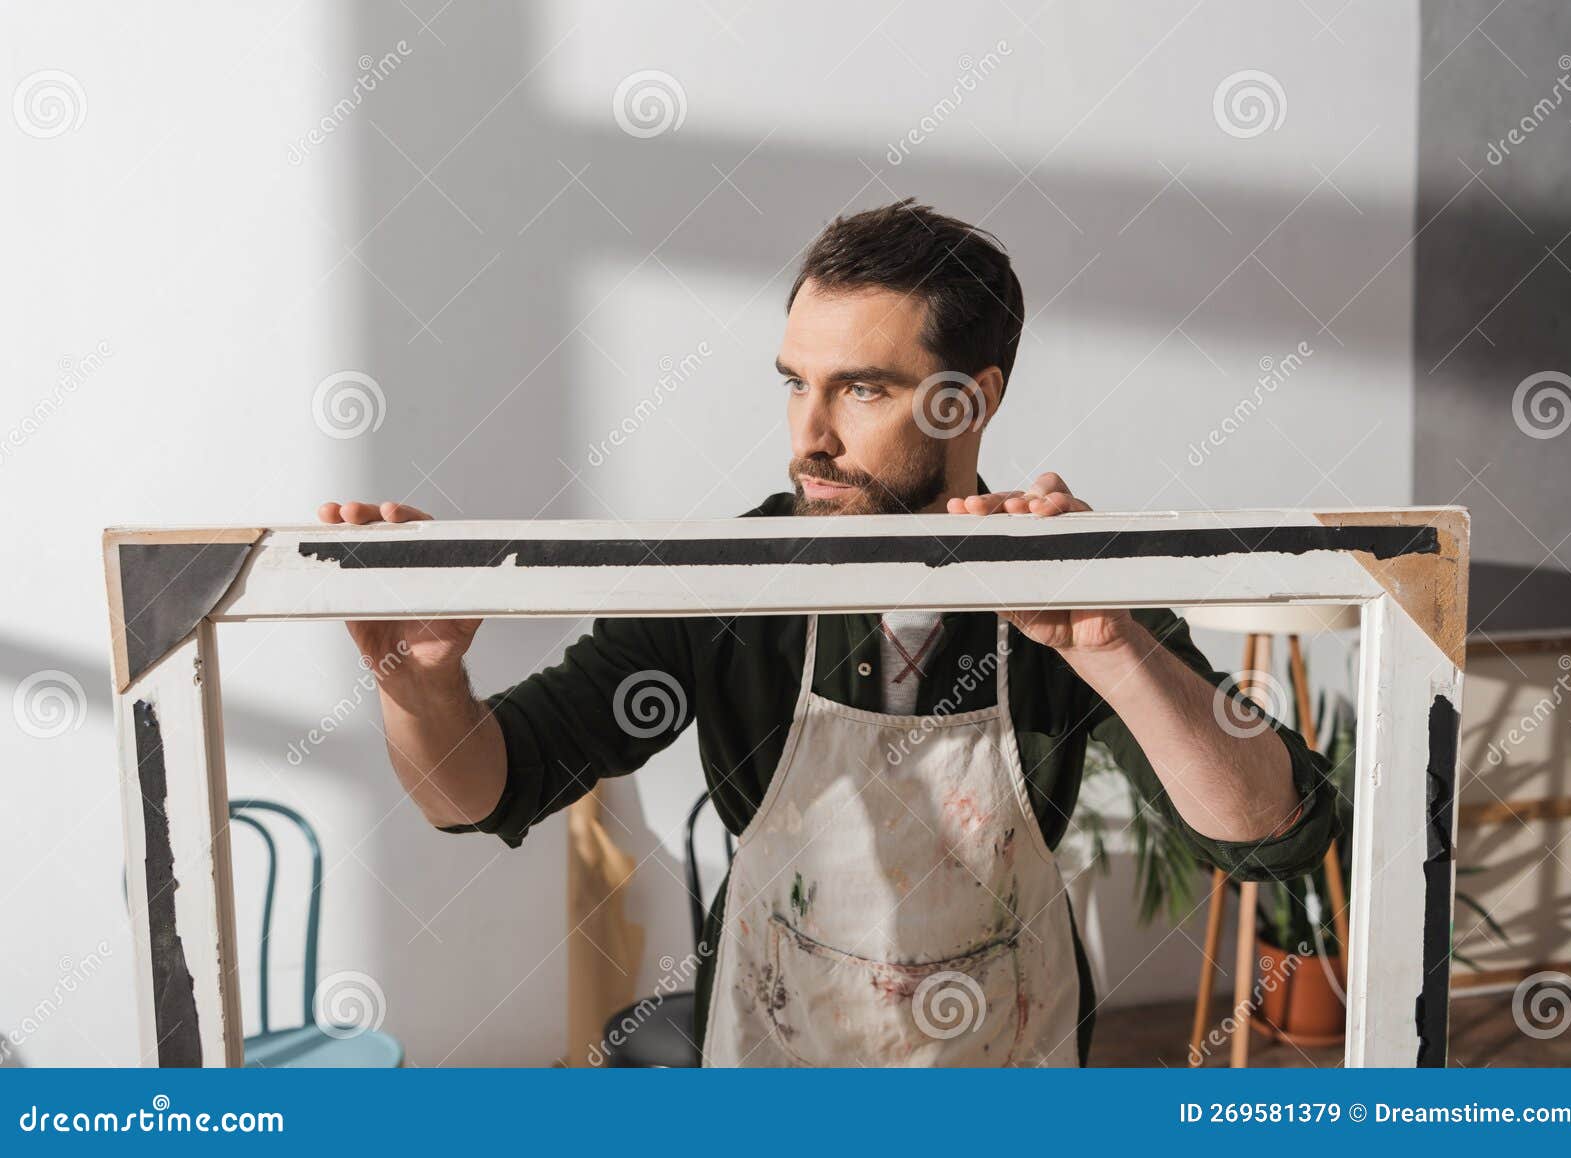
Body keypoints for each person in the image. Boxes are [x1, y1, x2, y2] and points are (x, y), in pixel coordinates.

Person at [319, 198, 1336, 1067]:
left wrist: (1111, 647)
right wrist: (420, 685)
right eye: (795, 383)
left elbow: (1271, 834)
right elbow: (485, 787)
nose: (809, 435)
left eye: (861, 388)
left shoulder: (1067, 583)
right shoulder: (726, 587)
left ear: (971, 400)